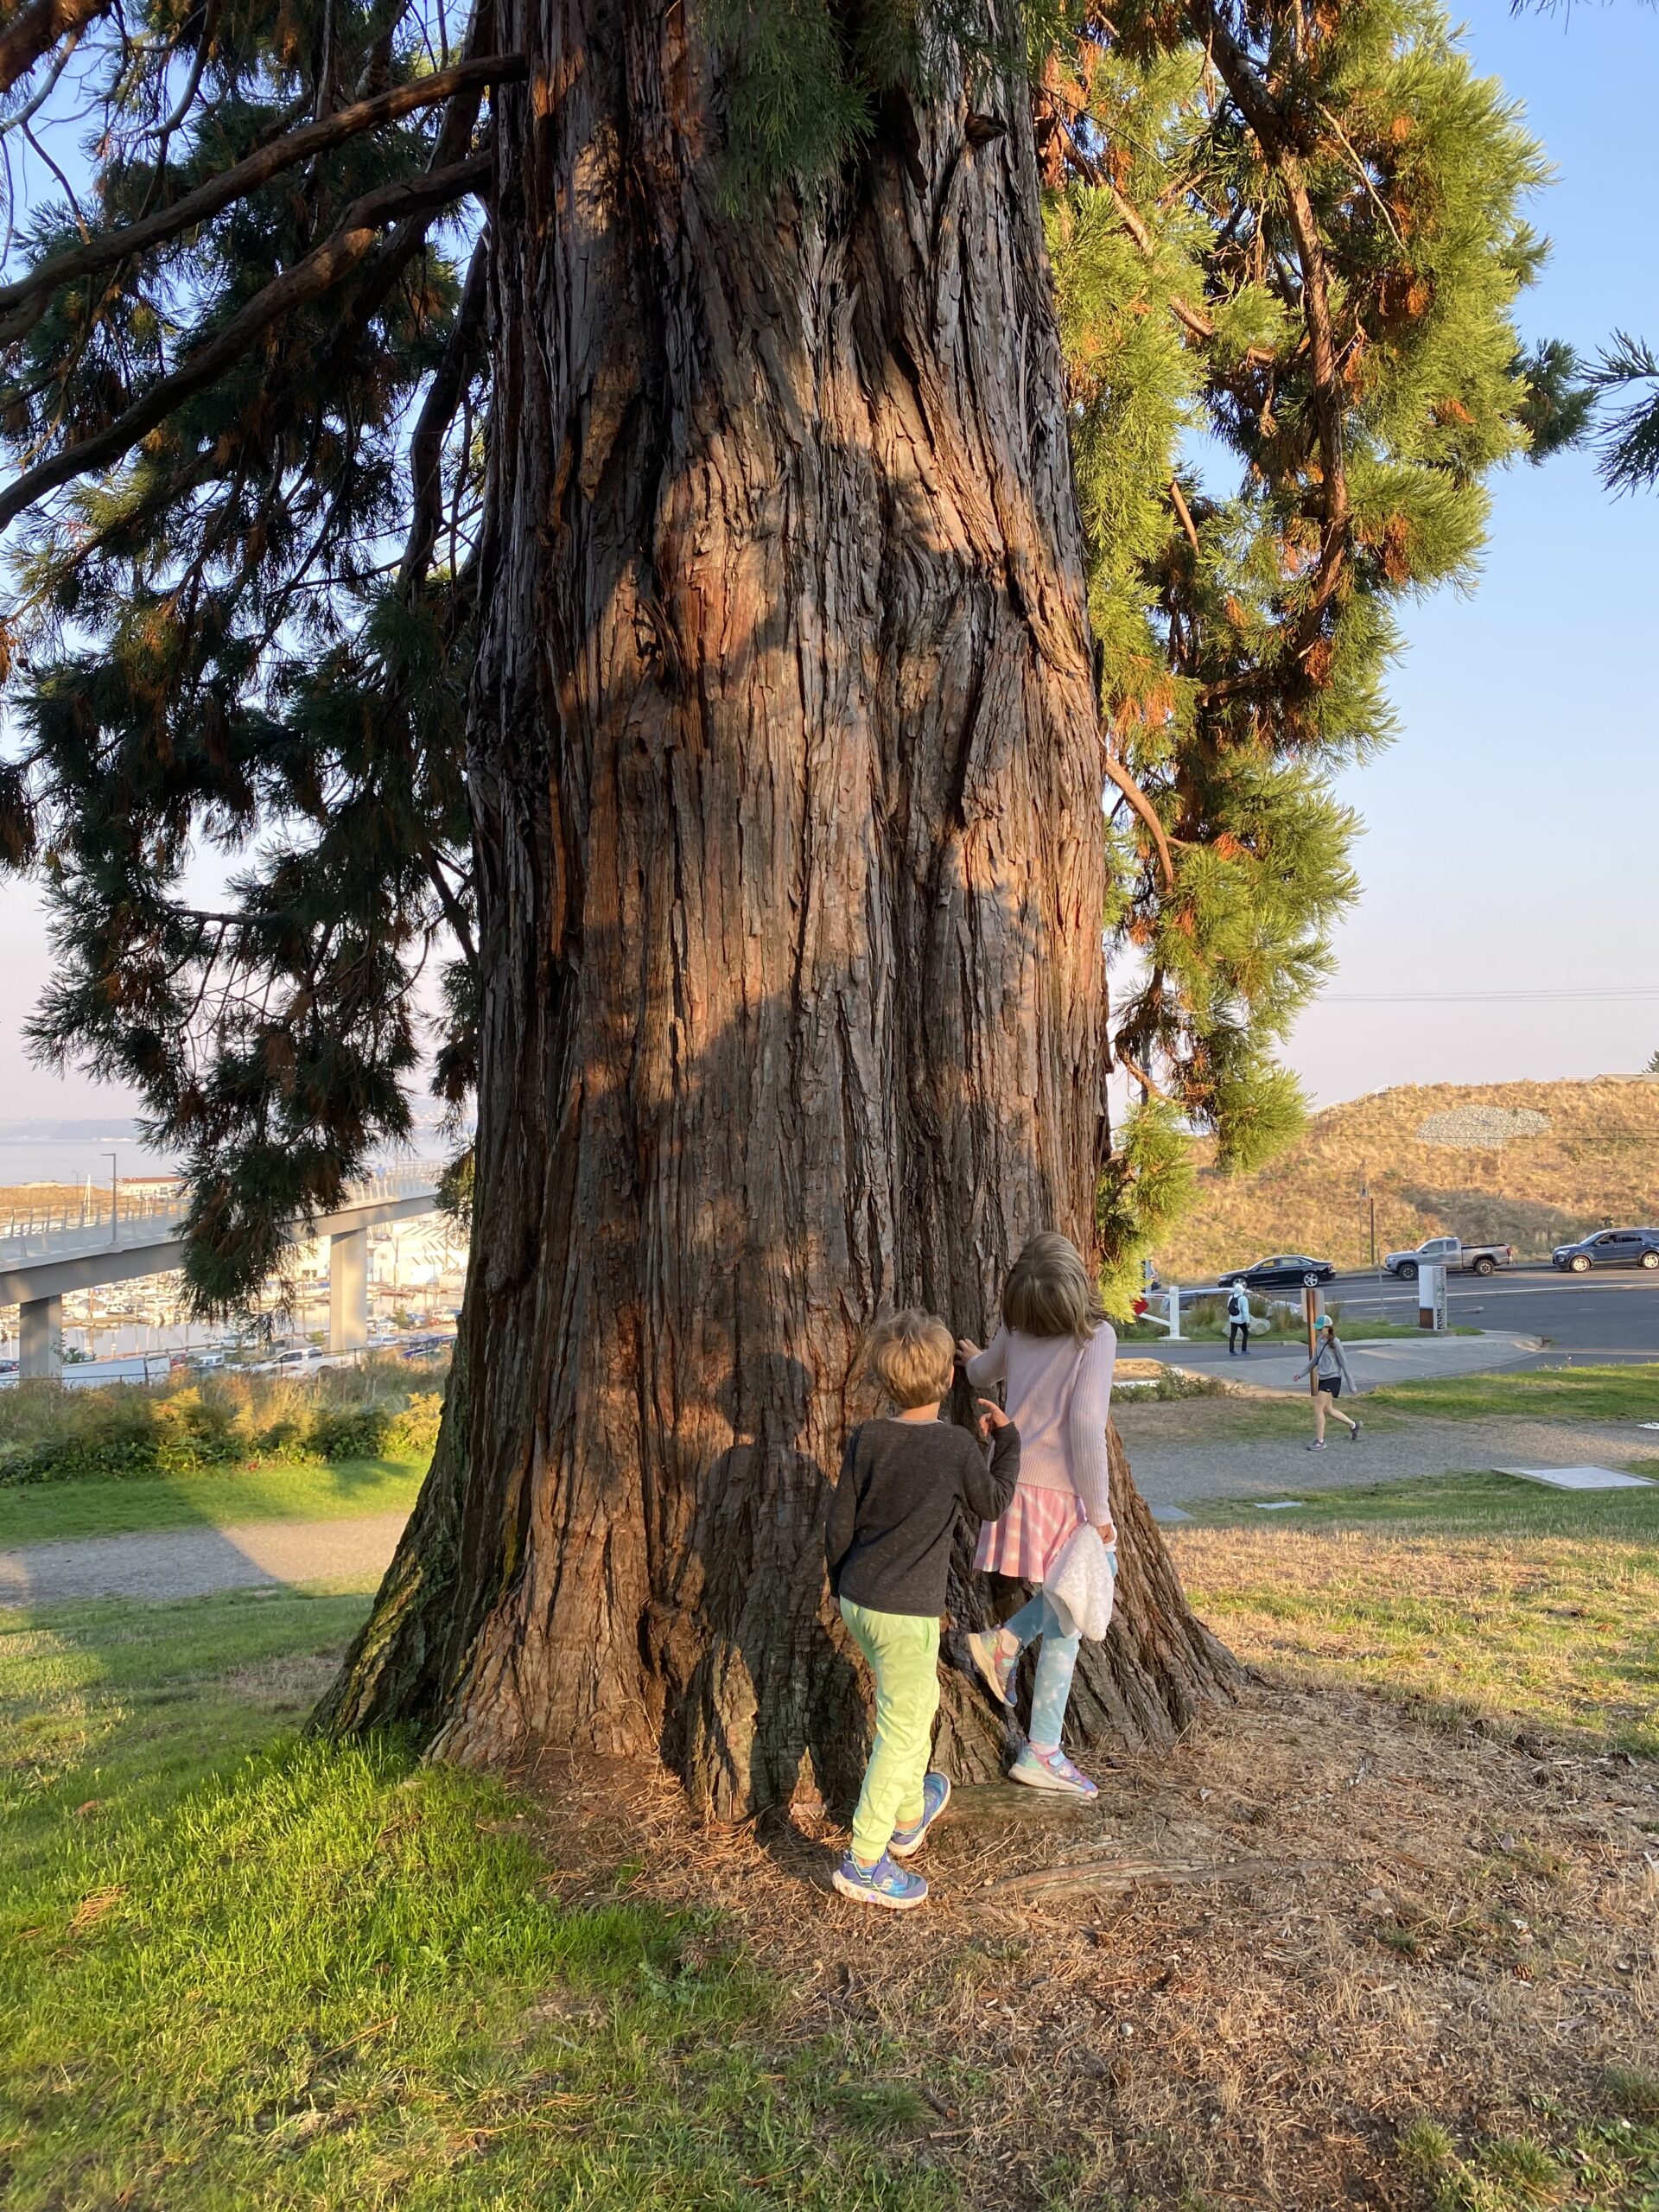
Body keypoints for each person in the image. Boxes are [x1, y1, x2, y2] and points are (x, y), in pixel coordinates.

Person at [824, 1307, 1020, 1910]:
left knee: (917, 1703)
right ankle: (865, 1859)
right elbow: (994, 1501)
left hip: (860, 1601)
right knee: (902, 1733)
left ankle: (909, 1815)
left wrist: (840, 1585)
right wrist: (1007, 1441)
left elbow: (840, 1523)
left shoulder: (869, 1439)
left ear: (884, 1381)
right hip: (908, 1615)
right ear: (948, 1380)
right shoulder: (958, 1447)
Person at [956, 1231, 1116, 1801]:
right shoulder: (1094, 1336)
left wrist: (971, 1357)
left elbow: (981, 1375)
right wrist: (1098, 1514)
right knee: (1073, 1617)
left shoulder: (1017, 1329)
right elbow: (1084, 1427)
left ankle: (1004, 1643)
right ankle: (1043, 1749)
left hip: (1014, 1484)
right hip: (1061, 1495)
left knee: (1065, 1599)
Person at [1295, 1313, 1362, 1449]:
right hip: (1323, 1378)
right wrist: (1301, 1374)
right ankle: (1354, 1425)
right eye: (1318, 1329)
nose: (1319, 1331)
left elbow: (1344, 1364)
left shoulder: (1335, 1343)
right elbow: (1315, 1360)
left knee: (1318, 1407)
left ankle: (1320, 1441)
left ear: (1328, 1328)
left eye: (1321, 1329)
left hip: (1333, 1378)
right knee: (1328, 1409)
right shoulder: (1320, 1342)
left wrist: (1352, 1386)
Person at [1226, 1284, 1253, 1356]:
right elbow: (1245, 1311)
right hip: (1241, 1320)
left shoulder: (1231, 1297)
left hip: (1233, 1319)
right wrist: (1247, 1321)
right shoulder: (1243, 1298)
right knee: (1246, 1333)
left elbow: (1228, 1307)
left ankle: (1231, 1351)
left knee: (1233, 1335)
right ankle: (1244, 1349)